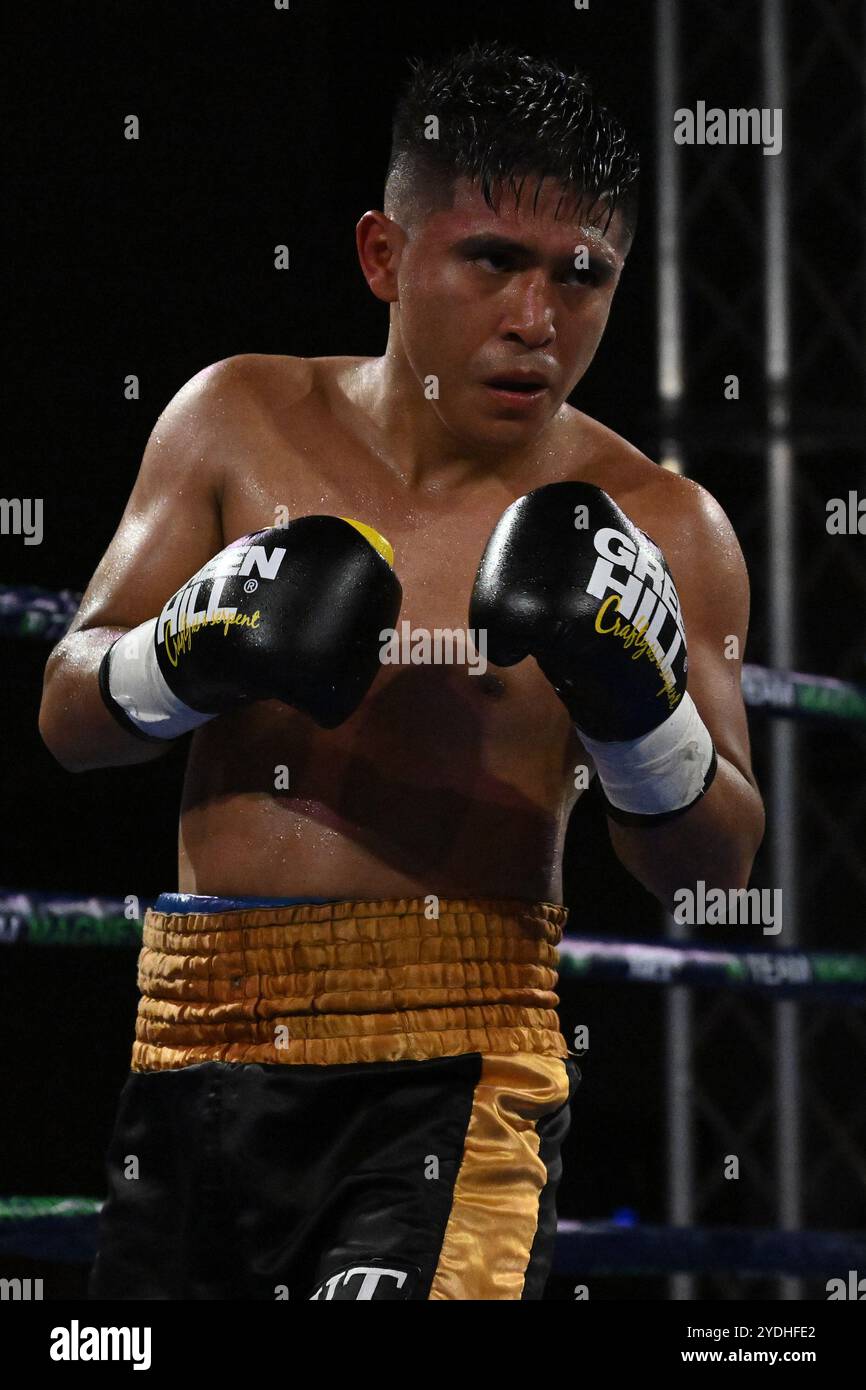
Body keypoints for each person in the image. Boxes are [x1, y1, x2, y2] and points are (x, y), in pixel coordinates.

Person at [38, 40, 764, 1300]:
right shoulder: (236, 418)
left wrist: (637, 705)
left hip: (455, 1072)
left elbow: (713, 866)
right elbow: (68, 711)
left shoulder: (660, 521)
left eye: (581, 275)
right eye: (493, 261)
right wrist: (189, 646)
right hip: (194, 1052)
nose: (536, 322)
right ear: (384, 255)